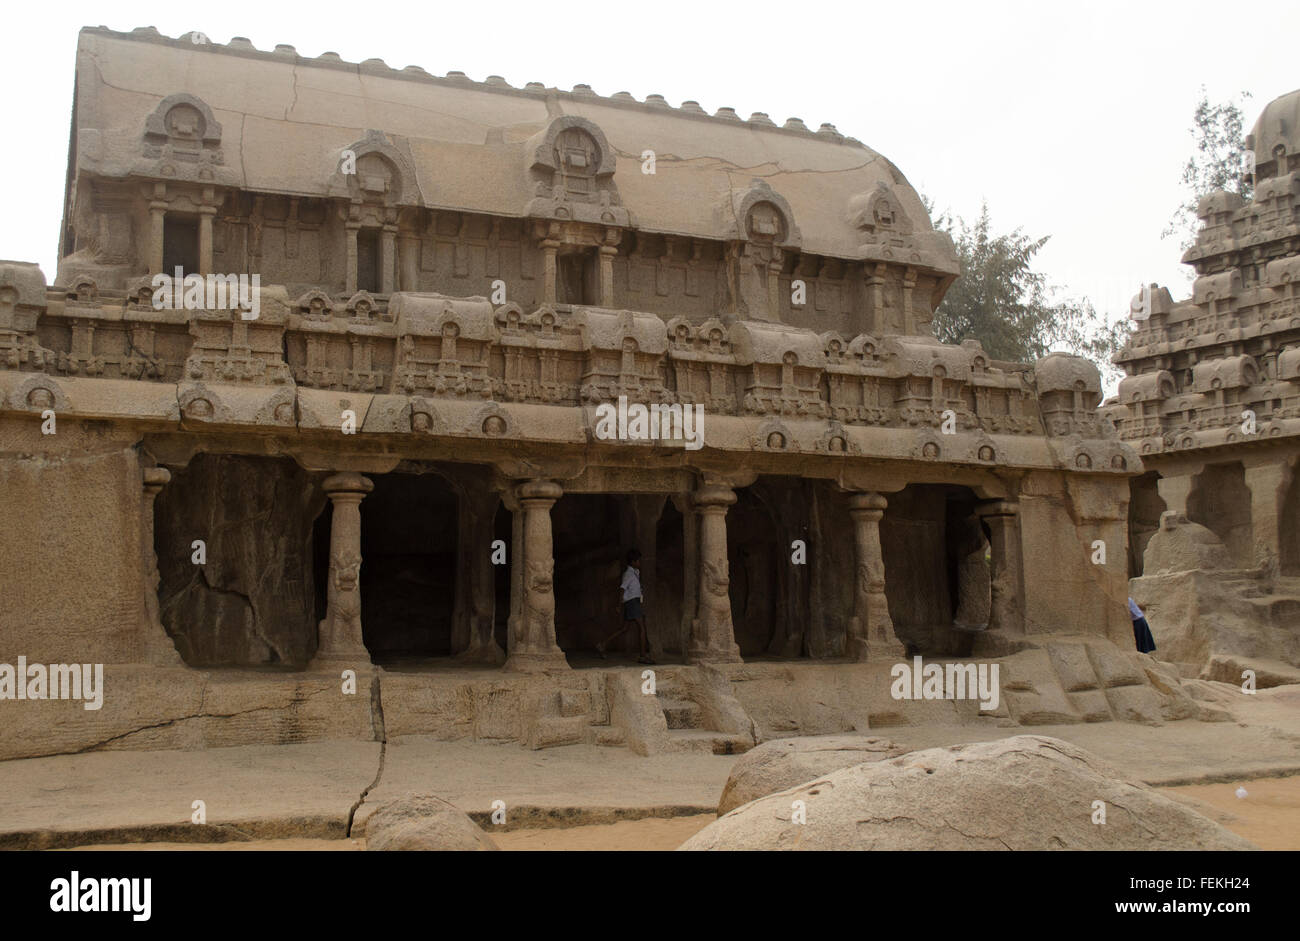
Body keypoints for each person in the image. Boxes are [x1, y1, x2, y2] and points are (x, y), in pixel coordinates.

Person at [595, 549, 654, 664]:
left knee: (624, 629)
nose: (640, 563)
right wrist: (619, 605)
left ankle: (602, 644)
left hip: (634, 602)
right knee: (642, 628)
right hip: (632, 603)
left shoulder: (635, 573)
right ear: (633, 562)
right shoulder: (628, 574)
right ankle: (642, 656)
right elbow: (622, 589)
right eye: (638, 561)